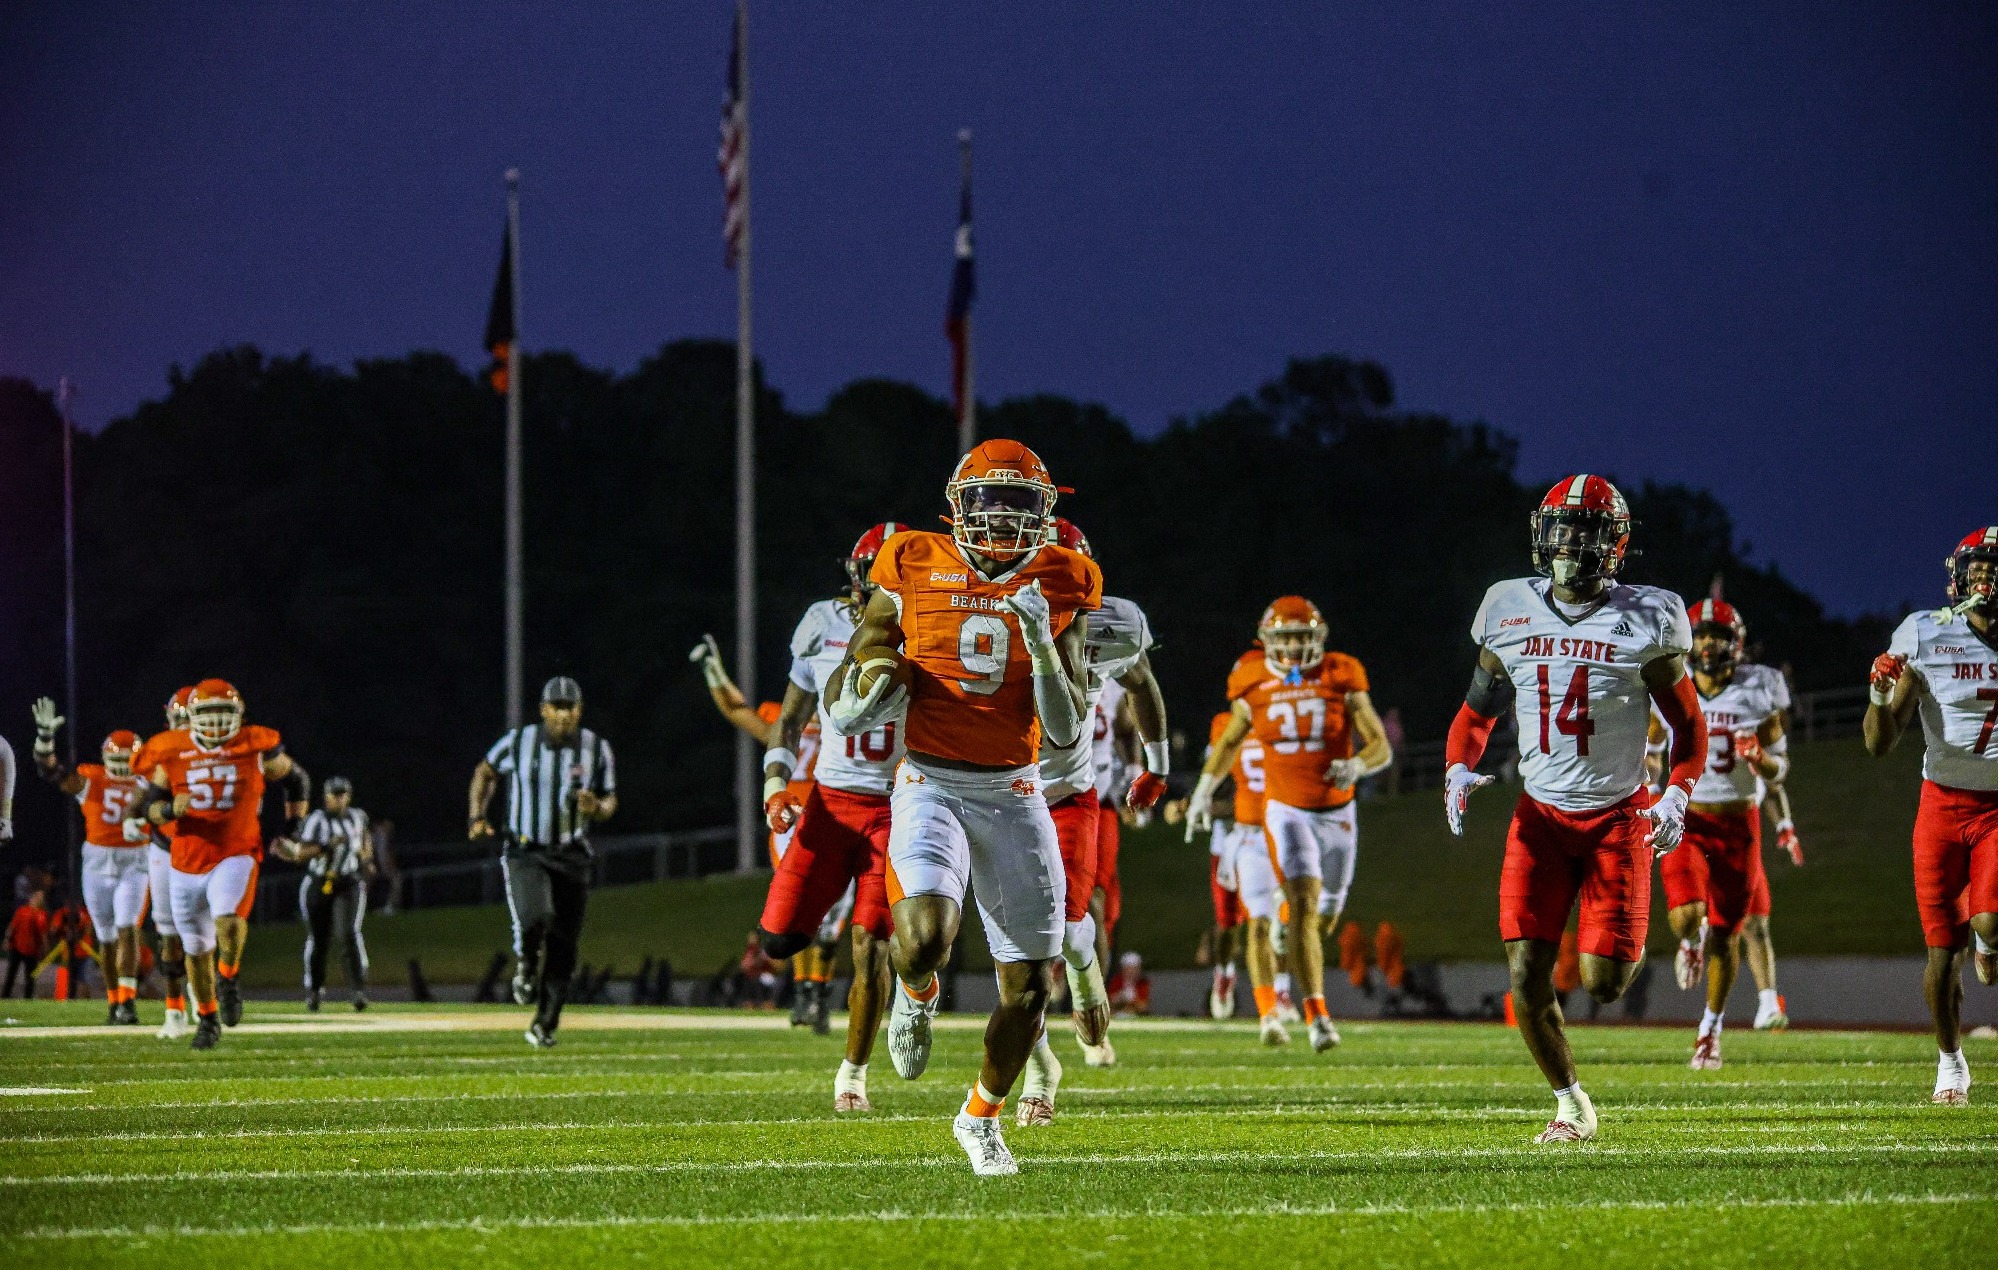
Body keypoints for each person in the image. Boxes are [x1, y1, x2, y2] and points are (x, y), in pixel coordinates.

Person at [829, 439, 1100, 1176]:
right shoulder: (912, 560)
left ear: (1044, 513)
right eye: (990, 504)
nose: (1004, 521)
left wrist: (1042, 641)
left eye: (1020, 505)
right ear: (959, 507)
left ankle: (979, 1118)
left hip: (1015, 790)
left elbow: (1069, 728)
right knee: (920, 939)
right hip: (931, 779)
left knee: (1029, 989)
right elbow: (864, 653)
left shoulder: (1064, 577)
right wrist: (858, 698)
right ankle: (916, 991)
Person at [1443, 474, 1705, 1143]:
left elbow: (1692, 729)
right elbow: (1476, 712)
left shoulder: (1649, 617)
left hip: (1618, 817)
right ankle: (1571, 1105)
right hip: (1539, 818)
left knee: (1605, 981)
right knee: (1526, 970)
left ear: (1614, 544)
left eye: (1584, 530)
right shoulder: (1507, 606)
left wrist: (1677, 791)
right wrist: (1455, 767)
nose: (1568, 541)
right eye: (1560, 526)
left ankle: (1635, 934)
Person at [741, 523, 907, 1110]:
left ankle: (853, 1076)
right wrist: (775, 784)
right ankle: (817, 987)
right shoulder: (822, 623)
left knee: (872, 945)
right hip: (830, 803)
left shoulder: (934, 626)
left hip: (897, 807)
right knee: (778, 940)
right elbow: (788, 719)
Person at [1189, 596, 1394, 1052]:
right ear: (1267, 641)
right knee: (1299, 904)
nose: (1297, 646)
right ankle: (1317, 1016)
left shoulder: (1341, 673)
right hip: (1284, 810)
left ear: (1319, 639)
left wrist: (1358, 766)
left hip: (1338, 811)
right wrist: (1203, 793)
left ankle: (1296, 962)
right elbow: (1227, 743)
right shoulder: (1252, 681)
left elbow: (1380, 744)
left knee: (1324, 917)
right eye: (1287, 638)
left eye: (1304, 636)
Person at [1026, 516, 1169, 1093]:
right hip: (996, 791)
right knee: (1014, 934)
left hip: (1076, 793)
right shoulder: (983, 611)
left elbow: (1140, 684)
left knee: (1080, 918)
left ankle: (1086, 986)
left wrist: (1154, 767)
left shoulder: (1113, 628)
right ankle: (1036, 1064)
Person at [1863, 525, 1998, 1107]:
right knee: (1943, 952)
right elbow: (1878, 743)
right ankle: (1950, 1061)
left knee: (1988, 925)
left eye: (1992, 569)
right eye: (1976, 569)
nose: (1982, 580)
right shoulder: (1925, 634)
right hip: (1941, 805)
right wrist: (1878, 695)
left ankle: (1990, 937)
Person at [1645, 599, 1793, 1069]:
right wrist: (1651, 798)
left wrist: (1760, 760)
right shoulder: (1670, 686)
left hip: (1739, 824)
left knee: (1728, 936)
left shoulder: (1760, 688)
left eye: (1719, 635)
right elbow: (1650, 751)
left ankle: (1710, 1028)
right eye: (1702, 633)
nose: (1710, 643)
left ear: (1737, 642)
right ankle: (1690, 941)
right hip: (1687, 817)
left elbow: (1780, 767)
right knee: (1688, 917)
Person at [125, 679, 310, 1050]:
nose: (215, 722)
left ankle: (228, 977)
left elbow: (297, 780)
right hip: (184, 859)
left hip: (235, 851)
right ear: (190, 717)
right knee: (194, 949)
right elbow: (149, 805)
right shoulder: (172, 749)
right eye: (207, 714)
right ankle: (207, 1020)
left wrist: (293, 830)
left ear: (239, 715)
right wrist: (166, 810)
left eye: (223, 714)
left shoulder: (255, 744)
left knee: (227, 918)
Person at [689, 634, 837, 1027]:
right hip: (793, 820)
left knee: (833, 917)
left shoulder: (851, 717)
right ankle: (809, 992)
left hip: (838, 818)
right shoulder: (789, 719)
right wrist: (713, 669)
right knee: (808, 912)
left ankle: (815, 992)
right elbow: (737, 710)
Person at [469, 676, 618, 1048]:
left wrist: (596, 807)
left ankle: (545, 1024)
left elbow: (610, 799)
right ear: (543, 710)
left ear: (579, 711)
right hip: (526, 849)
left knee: (566, 944)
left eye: (570, 708)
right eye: (557, 707)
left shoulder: (596, 748)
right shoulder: (519, 742)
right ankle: (526, 964)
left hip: (571, 852)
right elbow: (484, 771)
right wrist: (476, 815)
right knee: (536, 916)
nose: (564, 715)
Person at [30, 701, 150, 1024]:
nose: (123, 766)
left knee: (128, 930)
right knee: (106, 936)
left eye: (129, 760)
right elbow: (51, 772)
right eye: (117, 759)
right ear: (105, 758)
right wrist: (44, 739)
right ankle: (114, 1002)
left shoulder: (150, 782)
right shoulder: (91, 778)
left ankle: (128, 1003)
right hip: (98, 862)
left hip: (135, 861)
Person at [133, 687, 196, 1038]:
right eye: (179, 718)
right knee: (168, 932)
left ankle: (206, 999)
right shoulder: (161, 751)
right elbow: (142, 795)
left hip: (206, 849)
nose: (183, 726)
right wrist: (133, 815)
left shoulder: (220, 753)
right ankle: (175, 1010)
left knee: (209, 930)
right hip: (165, 846)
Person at [297, 776, 374, 1011]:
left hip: (348, 882)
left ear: (348, 797)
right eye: (334, 795)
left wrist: (367, 859)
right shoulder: (317, 820)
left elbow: (364, 838)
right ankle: (314, 990)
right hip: (319, 882)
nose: (339, 800)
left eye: (342, 795)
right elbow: (302, 852)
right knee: (319, 938)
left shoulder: (357, 817)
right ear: (326, 796)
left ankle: (357, 990)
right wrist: (326, 846)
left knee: (349, 933)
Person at [3, 890, 47, 997]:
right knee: (11, 973)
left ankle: (28, 998)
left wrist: (45, 948)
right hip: (17, 947)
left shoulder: (41, 914)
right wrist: (7, 939)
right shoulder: (22, 910)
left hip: (32, 949)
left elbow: (43, 934)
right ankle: (5, 996)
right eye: (36, 896)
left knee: (30, 976)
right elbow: (12, 926)